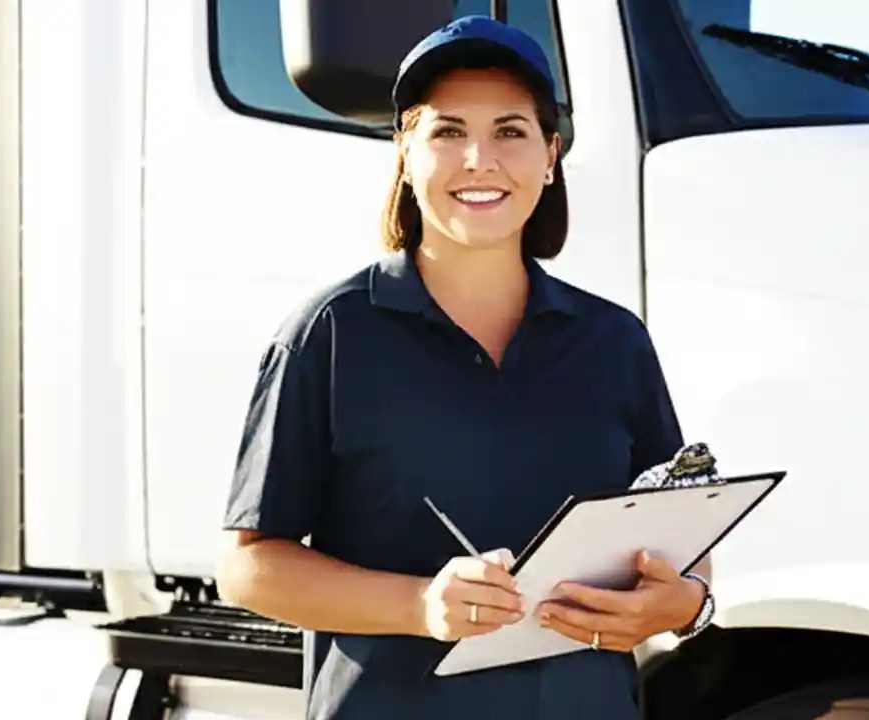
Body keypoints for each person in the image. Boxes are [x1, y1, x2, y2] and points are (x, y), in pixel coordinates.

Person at [215, 15, 713, 720]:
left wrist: (686, 604)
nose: (479, 157)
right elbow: (248, 567)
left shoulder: (614, 341)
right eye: (448, 131)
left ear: (550, 153)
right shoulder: (331, 333)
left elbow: (681, 541)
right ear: (405, 152)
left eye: (510, 130)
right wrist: (420, 605)